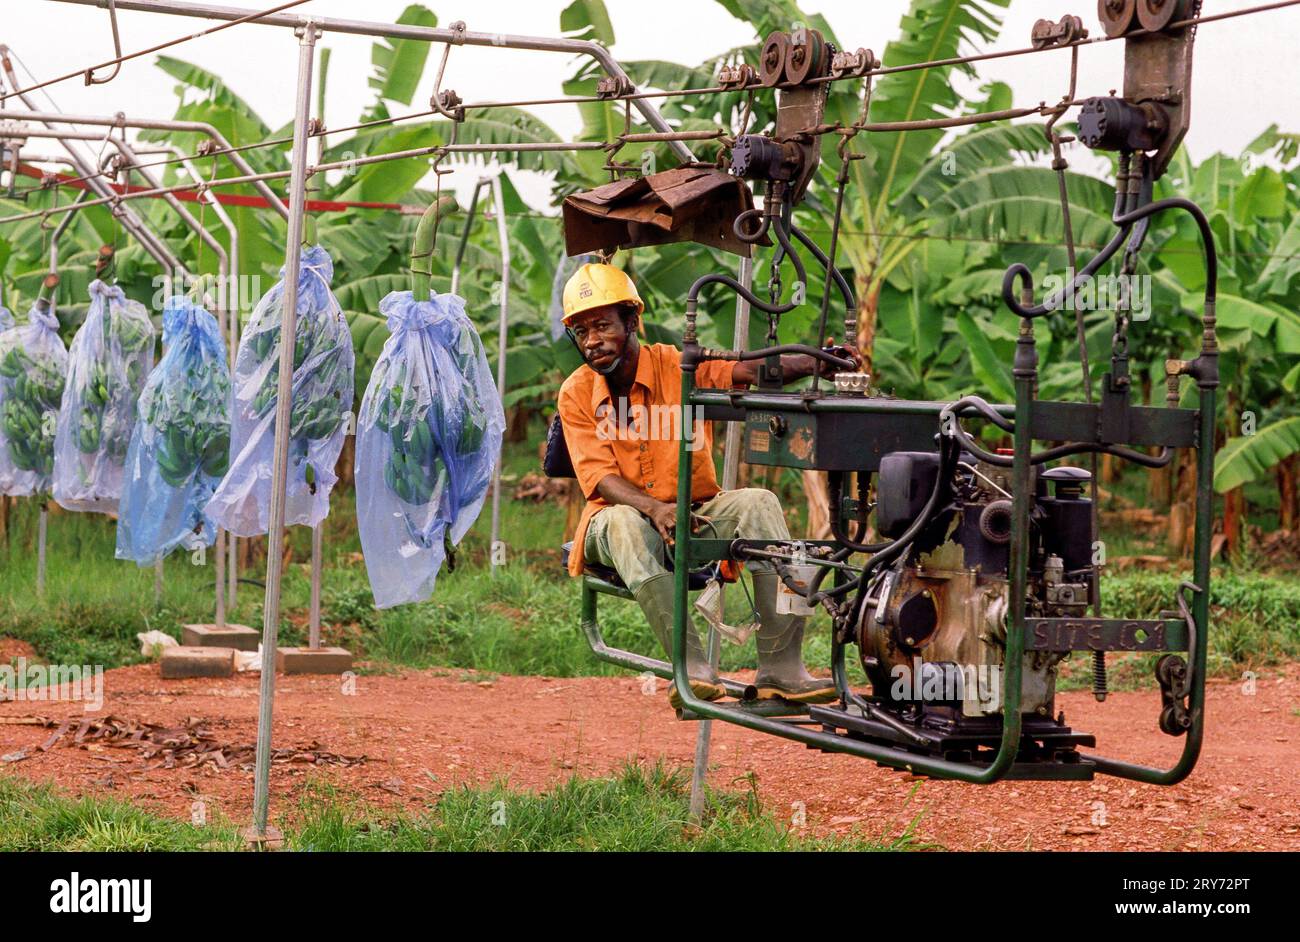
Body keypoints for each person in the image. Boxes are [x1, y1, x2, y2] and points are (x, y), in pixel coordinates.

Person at [556, 262, 861, 707]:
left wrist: (819, 361)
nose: (592, 342)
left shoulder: (678, 367)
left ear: (632, 320)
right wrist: (656, 510)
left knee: (759, 501)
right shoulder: (576, 392)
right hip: (614, 524)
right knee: (624, 520)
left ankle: (781, 667)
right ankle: (691, 669)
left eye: (602, 326)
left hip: (694, 513)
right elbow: (600, 478)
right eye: (581, 332)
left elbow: (753, 371)